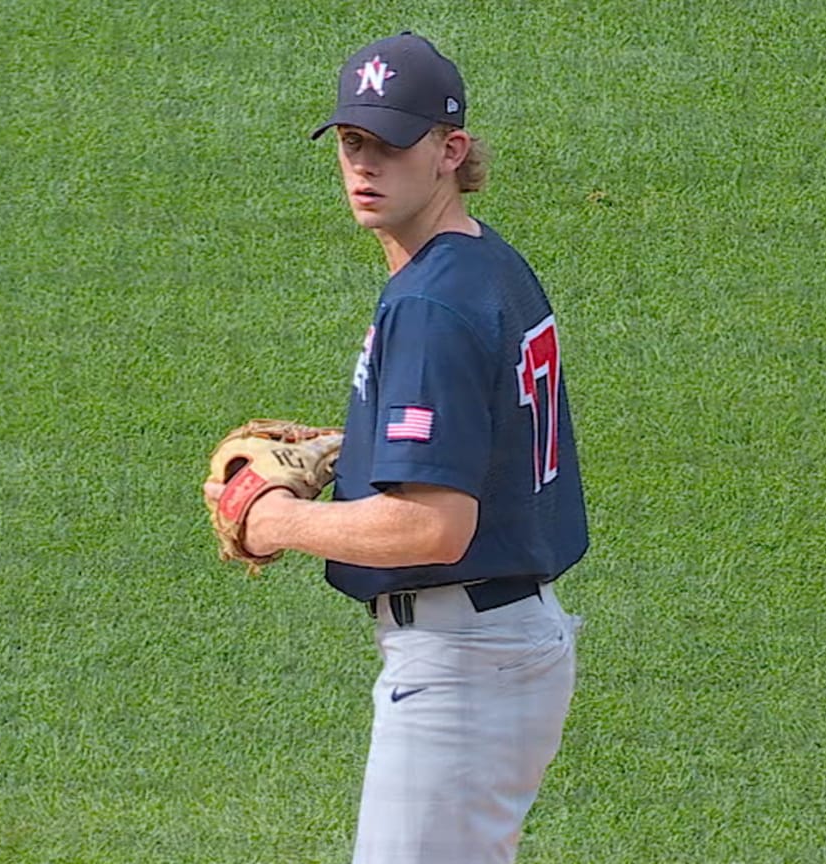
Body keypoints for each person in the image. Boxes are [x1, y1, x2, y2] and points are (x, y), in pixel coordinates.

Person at [204, 32, 589, 864]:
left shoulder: (430, 303)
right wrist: (360, 447)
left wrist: (271, 520)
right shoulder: (487, 264)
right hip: (499, 646)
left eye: (390, 143)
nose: (364, 165)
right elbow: (490, 433)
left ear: (450, 151)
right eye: (351, 142)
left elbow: (431, 530)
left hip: (462, 665)